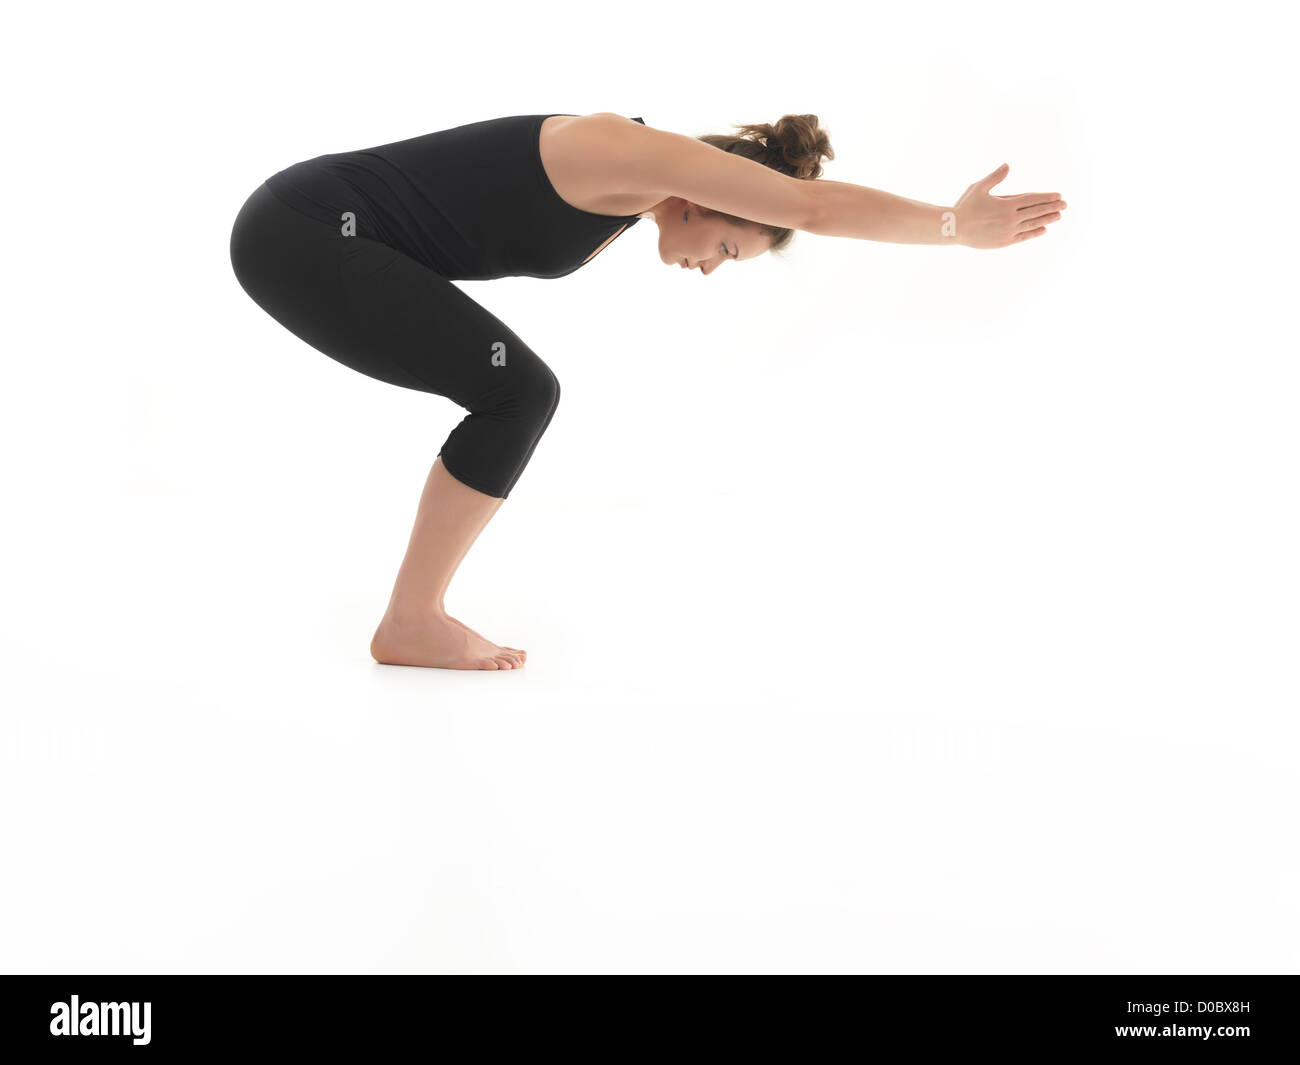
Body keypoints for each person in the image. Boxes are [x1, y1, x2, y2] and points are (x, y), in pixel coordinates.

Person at [229, 111, 1067, 670]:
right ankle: (412, 621)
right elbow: (809, 208)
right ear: (713, 198)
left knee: (516, 390)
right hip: (302, 230)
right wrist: (953, 228)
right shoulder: (627, 152)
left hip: (306, 232)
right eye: (730, 252)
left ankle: (414, 616)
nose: (709, 269)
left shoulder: (627, 198)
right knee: (519, 392)